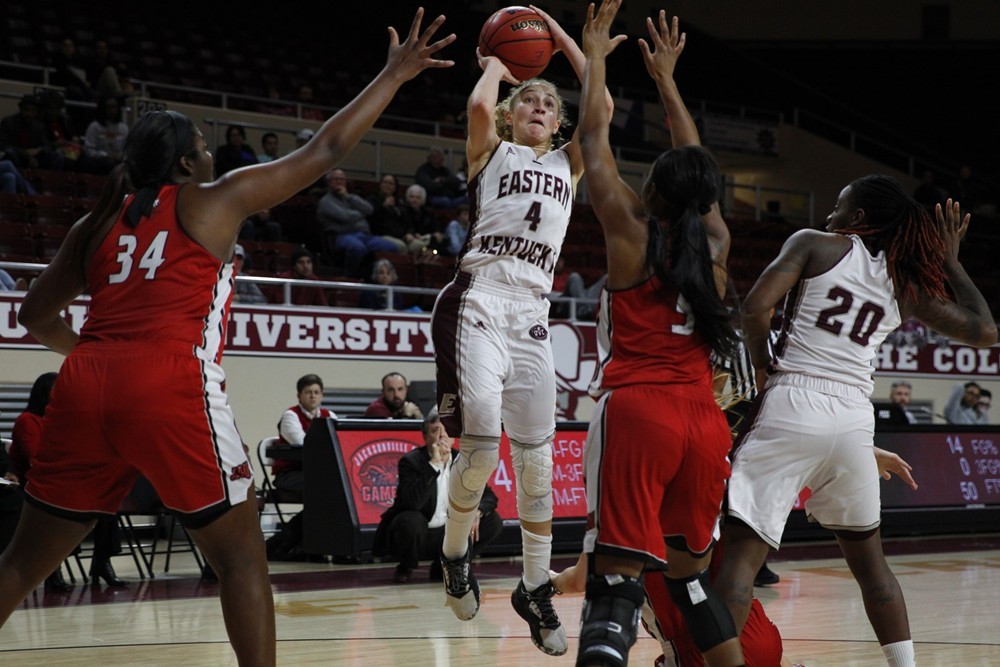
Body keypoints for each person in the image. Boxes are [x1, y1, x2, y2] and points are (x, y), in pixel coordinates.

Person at [0, 11, 455, 666]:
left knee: (19, 562)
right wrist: (392, 75)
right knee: (243, 557)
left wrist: (95, 356)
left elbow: (36, 316)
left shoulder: (93, 224)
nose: (213, 154)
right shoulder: (211, 198)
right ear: (188, 161)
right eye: (206, 145)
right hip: (168, 379)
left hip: (86, 380)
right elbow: (323, 152)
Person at [713, 175, 996, 667]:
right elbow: (987, 332)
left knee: (740, 560)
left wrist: (761, 366)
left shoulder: (814, 243)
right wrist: (952, 261)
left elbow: (756, 309)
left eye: (838, 207)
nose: (828, 217)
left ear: (858, 220)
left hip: (793, 396)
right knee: (872, 567)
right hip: (853, 420)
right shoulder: (905, 284)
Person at [430, 4, 612, 657]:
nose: (537, 105)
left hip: (533, 314)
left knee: (537, 466)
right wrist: (496, 63)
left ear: (557, 121)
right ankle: (454, 550)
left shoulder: (570, 162)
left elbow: (602, 113)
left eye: (546, 102)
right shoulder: (493, 146)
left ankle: (534, 587)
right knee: (479, 448)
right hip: (480, 299)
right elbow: (480, 110)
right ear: (512, 113)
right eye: (526, 100)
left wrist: (565, 43)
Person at [574, 4, 744, 665]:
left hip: (641, 410)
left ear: (655, 188)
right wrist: (668, 79)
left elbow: (592, 141)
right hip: (705, 422)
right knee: (690, 577)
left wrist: (595, 58)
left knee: (617, 579)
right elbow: (696, 165)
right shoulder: (720, 246)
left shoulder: (630, 233)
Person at [553, 446, 918, 667]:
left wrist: (548, 585)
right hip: (762, 640)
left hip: (697, 653)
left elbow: (581, 580)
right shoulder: (717, 491)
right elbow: (796, 450)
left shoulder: (626, 528)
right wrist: (860, 452)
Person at [8, 372, 129, 591]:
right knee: (64, 507)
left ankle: (102, 562)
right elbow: (35, 456)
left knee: (105, 505)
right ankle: (53, 569)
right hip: (36, 482)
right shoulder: (28, 421)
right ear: (44, 392)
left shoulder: (65, 420)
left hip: (67, 479)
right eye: (57, 387)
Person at [372, 409, 502, 584]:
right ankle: (406, 566)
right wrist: (434, 465)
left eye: (446, 431)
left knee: (492, 520)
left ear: (454, 437)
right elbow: (413, 503)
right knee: (411, 520)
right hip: (421, 532)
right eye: (435, 431)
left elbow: (489, 497)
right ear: (425, 437)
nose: (442, 436)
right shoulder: (411, 462)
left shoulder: (463, 461)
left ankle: (448, 565)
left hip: (449, 532)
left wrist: (477, 512)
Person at [266, 374, 336, 562]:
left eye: (316, 392)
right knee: (323, 495)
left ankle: (301, 546)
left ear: (322, 395)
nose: (312, 396)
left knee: (333, 495)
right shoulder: (290, 416)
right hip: (290, 474)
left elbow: (340, 443)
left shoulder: (330, 416)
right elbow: (304, 444)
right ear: (299, 396)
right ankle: (296, 546)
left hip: (316, 475)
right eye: (307, 392)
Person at [316, 168, 398, 277]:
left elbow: (369, 209)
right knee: (357, 248)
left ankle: (374, 276)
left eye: (342, 179)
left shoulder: (350, 197)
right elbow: (345, 217)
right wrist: (361, 214)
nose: (339, 182)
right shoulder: (326, 202)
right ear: (329, 182)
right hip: (341, 236)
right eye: (336, 179)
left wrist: (348, 197)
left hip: (364, 235)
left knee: (392, 248)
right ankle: (349, 277)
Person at [83, 95, 129, 174]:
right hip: (100, 161)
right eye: (109, 107)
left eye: (114, 107)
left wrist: (121, 156)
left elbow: (128, 150)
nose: (112, 110)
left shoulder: (124, 128)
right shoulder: (95, 126)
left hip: (119, 161)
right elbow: (88, 150)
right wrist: (106, 155)